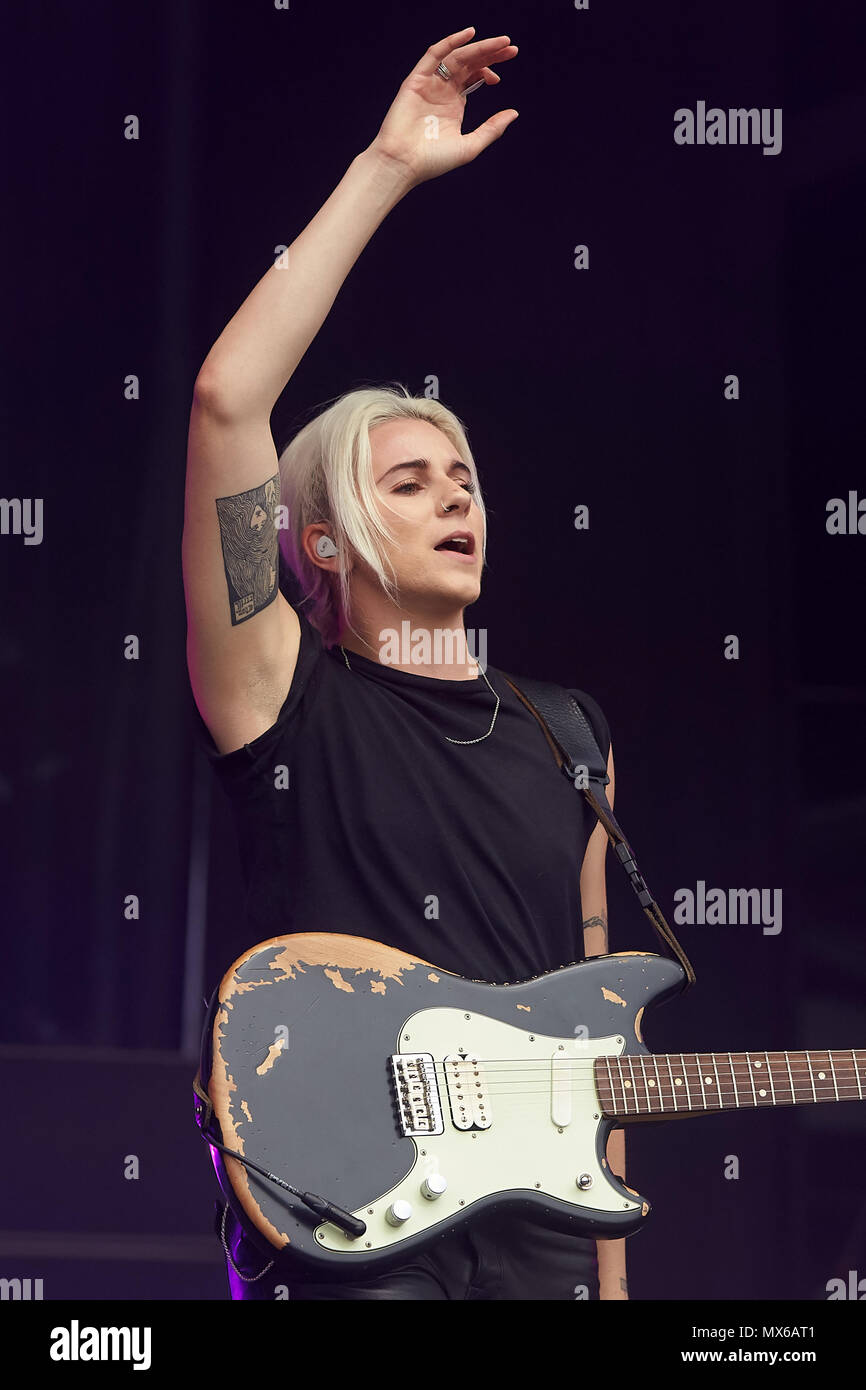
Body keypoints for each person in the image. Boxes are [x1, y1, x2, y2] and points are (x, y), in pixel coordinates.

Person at [184, 25, 626, 1301]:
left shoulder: (570, 731)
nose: (455, 499)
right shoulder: (280, 689)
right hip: (352, 1224)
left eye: (466, 478)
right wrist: (386, 163)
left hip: (543, 1243)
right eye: (409, 478)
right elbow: (227, 401)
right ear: (317, 535)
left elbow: (593, 1048)